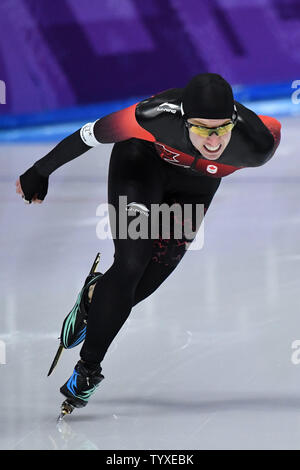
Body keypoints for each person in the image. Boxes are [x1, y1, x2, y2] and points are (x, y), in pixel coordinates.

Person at [16, 73, 281, 412]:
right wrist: (41, 170)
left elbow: (264, 126)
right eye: (201, 128)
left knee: (146, 282)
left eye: (221, 128)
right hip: (141, 164)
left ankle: (93, 297)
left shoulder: (258, 143)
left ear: (233, 121)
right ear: (184, 119)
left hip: (195, 188)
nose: (213, 141)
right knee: (131, 262)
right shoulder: (154, 115)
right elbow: (89, 135)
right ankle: (87, 371)